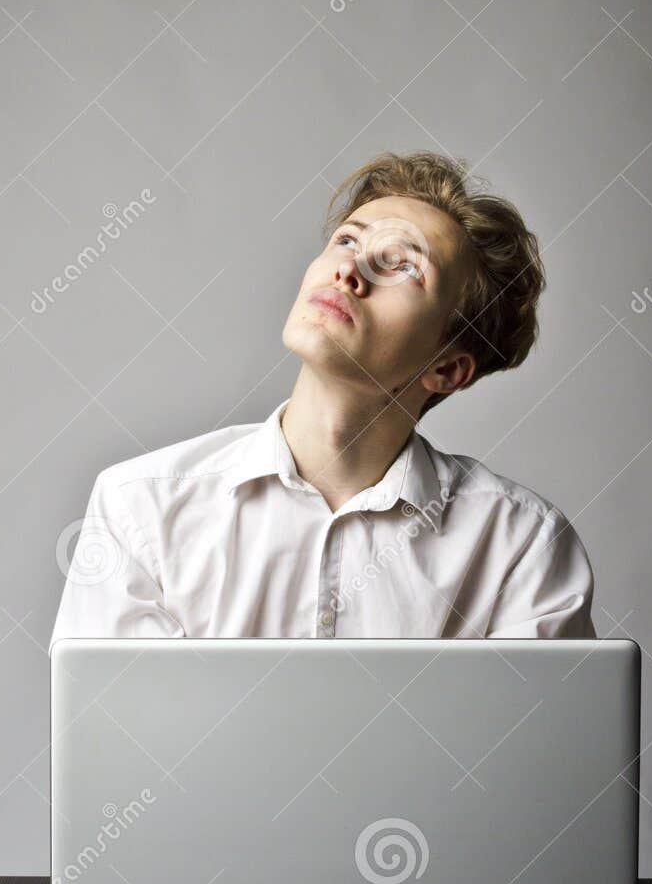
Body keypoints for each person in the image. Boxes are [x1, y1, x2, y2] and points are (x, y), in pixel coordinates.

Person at [50, 149, 595, 645]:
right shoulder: (141, 509)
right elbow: (125, 746)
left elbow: (527, 754)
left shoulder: (521, 547)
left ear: (447, 368)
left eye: (403, 264)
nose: (351, 270)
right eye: (348, 240)